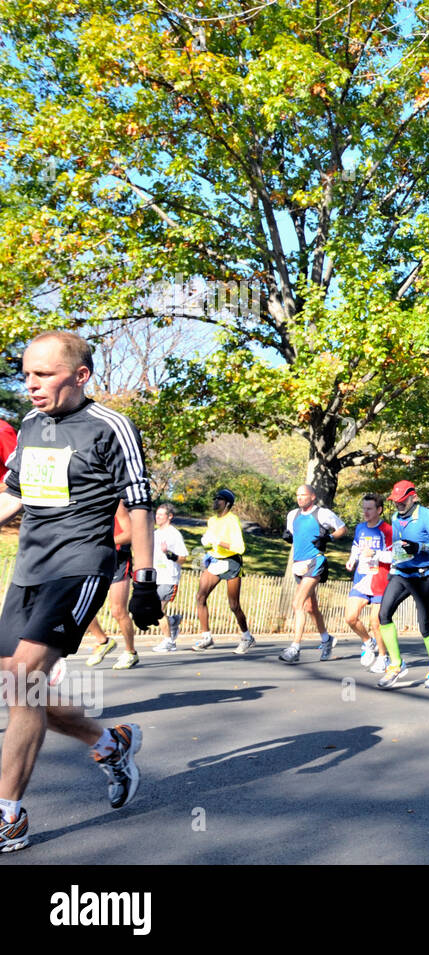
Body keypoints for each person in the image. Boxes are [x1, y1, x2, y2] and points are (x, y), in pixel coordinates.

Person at [0, 330, 163, 853]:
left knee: (24, 678)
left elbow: (138, 503)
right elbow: (13, 493)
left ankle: (8, 815)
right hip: (29, 568)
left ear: (80, 375)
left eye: (43, 374)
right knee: (15, 686)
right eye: (26, 374)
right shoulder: (29, 425)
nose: (31, 384)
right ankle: (108, 742)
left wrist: (144, 578)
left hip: (82, 566)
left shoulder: (110, 426)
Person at [374, 481, 429, 688]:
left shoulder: (428, 516)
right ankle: (396, 664)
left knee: (424, 626)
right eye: (395, 501)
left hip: (423, 575)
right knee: (384, 615)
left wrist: (421, 547)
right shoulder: (395, 518)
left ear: (413, 497)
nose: (398, 505)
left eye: (402, 501)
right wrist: (393, 565)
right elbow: (399, 548)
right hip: (400, 574)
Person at [279, 484, 347, 663]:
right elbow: (295, 536)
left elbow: (342, 528)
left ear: (312, 497)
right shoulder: (292, 515)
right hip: (298, 564)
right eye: (297, 495)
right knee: (310, 607)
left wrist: (329, 537)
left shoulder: (323, 514)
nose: (300, 498)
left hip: (315, 562)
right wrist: (288, 537)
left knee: (297, 604)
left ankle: (295, 648)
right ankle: (327, 639)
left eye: (303, 495)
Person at [193, 488, 254, 653]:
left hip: (232, 561)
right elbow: (211, 540)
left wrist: (219, 542)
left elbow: (239, 548)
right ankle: (206, 637)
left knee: (233, 605)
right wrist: (207, 545)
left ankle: (247, 636)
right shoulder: (212, 520)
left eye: (218, 499)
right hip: (216, 560)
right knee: (200, 596)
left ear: (227, 503)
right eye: (215, 498)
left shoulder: (232, 520)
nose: (215, 501)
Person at [83, 502, 140, 670]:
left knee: (118, 610)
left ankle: (131, 652)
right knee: (83, 606)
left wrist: (101, 542)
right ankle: (103, 641)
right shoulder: (88, 500)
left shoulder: (117, 503)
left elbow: (130, 534)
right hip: (97, 559)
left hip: (119, 560)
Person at [345, 492, 393, 669]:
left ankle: (383, 657)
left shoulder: (387, 530)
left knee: (375, 621)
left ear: (379, 510)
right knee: (350, 617)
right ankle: (368, 641)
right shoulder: (360, 528)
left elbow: (394, 556)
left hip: (380, 579)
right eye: (364, 508)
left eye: (369, 509)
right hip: (362, 577)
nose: (365, 512)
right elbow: (356, 546)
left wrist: (376, 554)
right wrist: (352, 559)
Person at [149, 502, 189, 651]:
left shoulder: (174, 534)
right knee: (149, 611)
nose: (157, 517)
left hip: (169, 578)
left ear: (169, 516)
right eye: (156, 514)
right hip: (155, 578)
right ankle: (172, 621)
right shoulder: (155, 533)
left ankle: (169, 641)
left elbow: (183, 558)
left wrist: (168, 554)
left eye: (161, 514)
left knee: (158, 611)